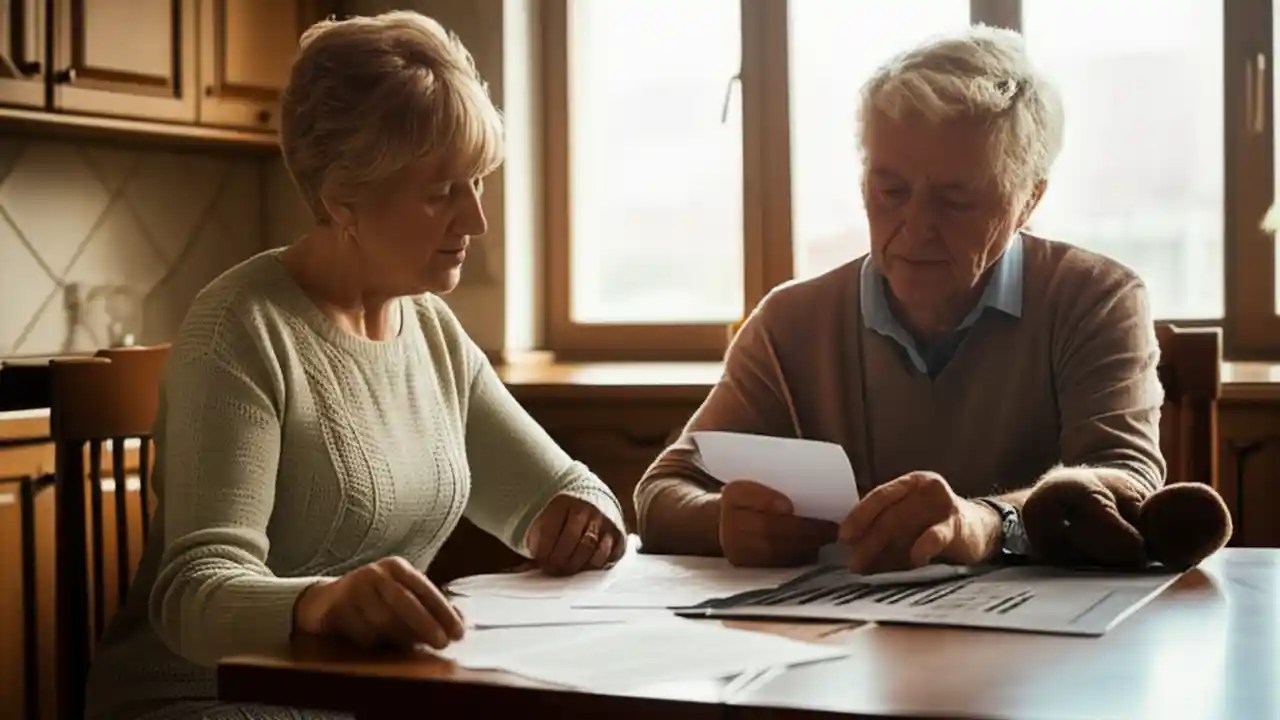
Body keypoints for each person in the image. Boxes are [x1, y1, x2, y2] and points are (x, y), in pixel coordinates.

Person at [85, 11, 625, 719]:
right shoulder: (241, 329)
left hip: (362, 695)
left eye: (478, 182)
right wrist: (320, 603)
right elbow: (193, 594)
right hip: (206, 700)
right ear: (344, 199)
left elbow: (564, 490)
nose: (476, 220)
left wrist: (586, 519)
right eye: (441, 192)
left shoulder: (431, 330)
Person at [634, 25, 1165, 573]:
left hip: (1043, 626)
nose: (915, 228)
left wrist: (986, 523)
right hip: (833, 625)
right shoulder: (791, 324)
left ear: (1029, 199)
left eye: (954, 200)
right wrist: (722, 520)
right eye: (891, 192)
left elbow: (1129, 481)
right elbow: (663, 491)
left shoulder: (1095, 300)